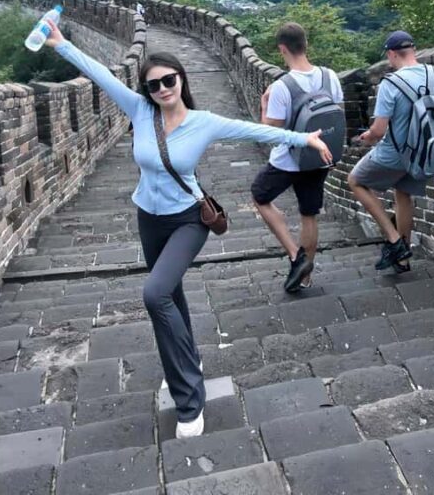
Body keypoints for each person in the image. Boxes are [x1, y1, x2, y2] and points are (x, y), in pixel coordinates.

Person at [44, 21, 331, 439]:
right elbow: (101, 74)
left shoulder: (205, 122)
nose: (162, 89)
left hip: (187, 220)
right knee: (170, 295)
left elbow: (256, 130)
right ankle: (189, 359)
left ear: (182, 79)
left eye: (168, 80)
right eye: (154, 85)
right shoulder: (140, 111)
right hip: (148, 217)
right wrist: (61, 43)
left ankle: (189, 397)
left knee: (154, 294)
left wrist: (304, 138)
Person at [348, 30, 434, 272]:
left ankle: (394, 241)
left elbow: (379, 129)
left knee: (355, 180)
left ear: (392, 54)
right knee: (403, 193)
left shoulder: (390, 83)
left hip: (395, 153)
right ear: (413, 50)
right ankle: (403, 259)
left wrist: (367, 137)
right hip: (425, 153)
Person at [251, 22, 344, 292]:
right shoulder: (330, 76)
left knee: (260, 195)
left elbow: (271, 132)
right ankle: (305, 275)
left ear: (282, 49)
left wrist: (264, 105)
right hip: (319, 156)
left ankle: (296, 255)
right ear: (305, 44)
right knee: (309, 213)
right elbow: (336, 115)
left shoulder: (282, 86)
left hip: (288, 160)